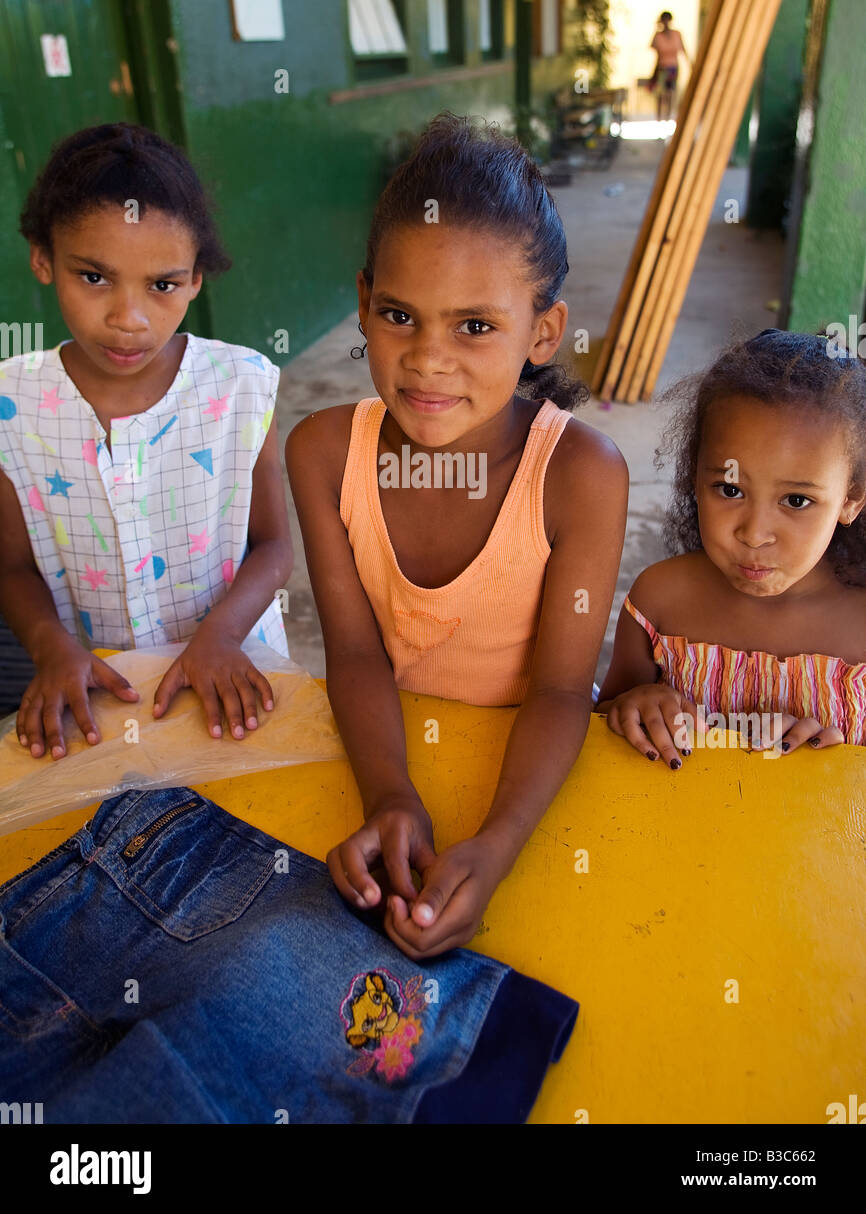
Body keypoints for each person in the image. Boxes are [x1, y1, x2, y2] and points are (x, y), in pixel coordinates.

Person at [286, 113, 628, 959]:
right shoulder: (325, 453)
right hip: (388, 748)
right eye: (400, 315)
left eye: (475, 327)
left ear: (542, 333)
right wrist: (391, 797)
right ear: (364, 303)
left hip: (522, 780)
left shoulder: (580, 475)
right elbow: (356, 656)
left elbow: (559, 691)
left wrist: (497, 844)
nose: (429, 361)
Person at [0, 123, 293, 759]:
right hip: (103, 691)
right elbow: (13, 568)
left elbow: (272, 547)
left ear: (195, 281)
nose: (128, 319)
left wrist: (221, 637)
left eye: (162, 285)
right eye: (94, 277)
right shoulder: (11, 406)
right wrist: (54, 651)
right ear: (43, 258)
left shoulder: (240, 387)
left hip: (238, 671)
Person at [597, 329, 866, 762]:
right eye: (729, 489)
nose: (755, 533)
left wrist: (837, 766)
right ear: (693, 476)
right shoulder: (659, 603)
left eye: (797, 501)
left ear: (851, 499)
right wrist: (635, 706)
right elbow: (601, 719)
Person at [649, 11, 689, 123]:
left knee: (670, 93)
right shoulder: (658, 35)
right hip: (662, 67)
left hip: (673, 67)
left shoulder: (677, 34)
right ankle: (659, 119)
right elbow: (654, 48)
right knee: (661, 94)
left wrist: (689, 64)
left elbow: (683, 49)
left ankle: (667, 118)